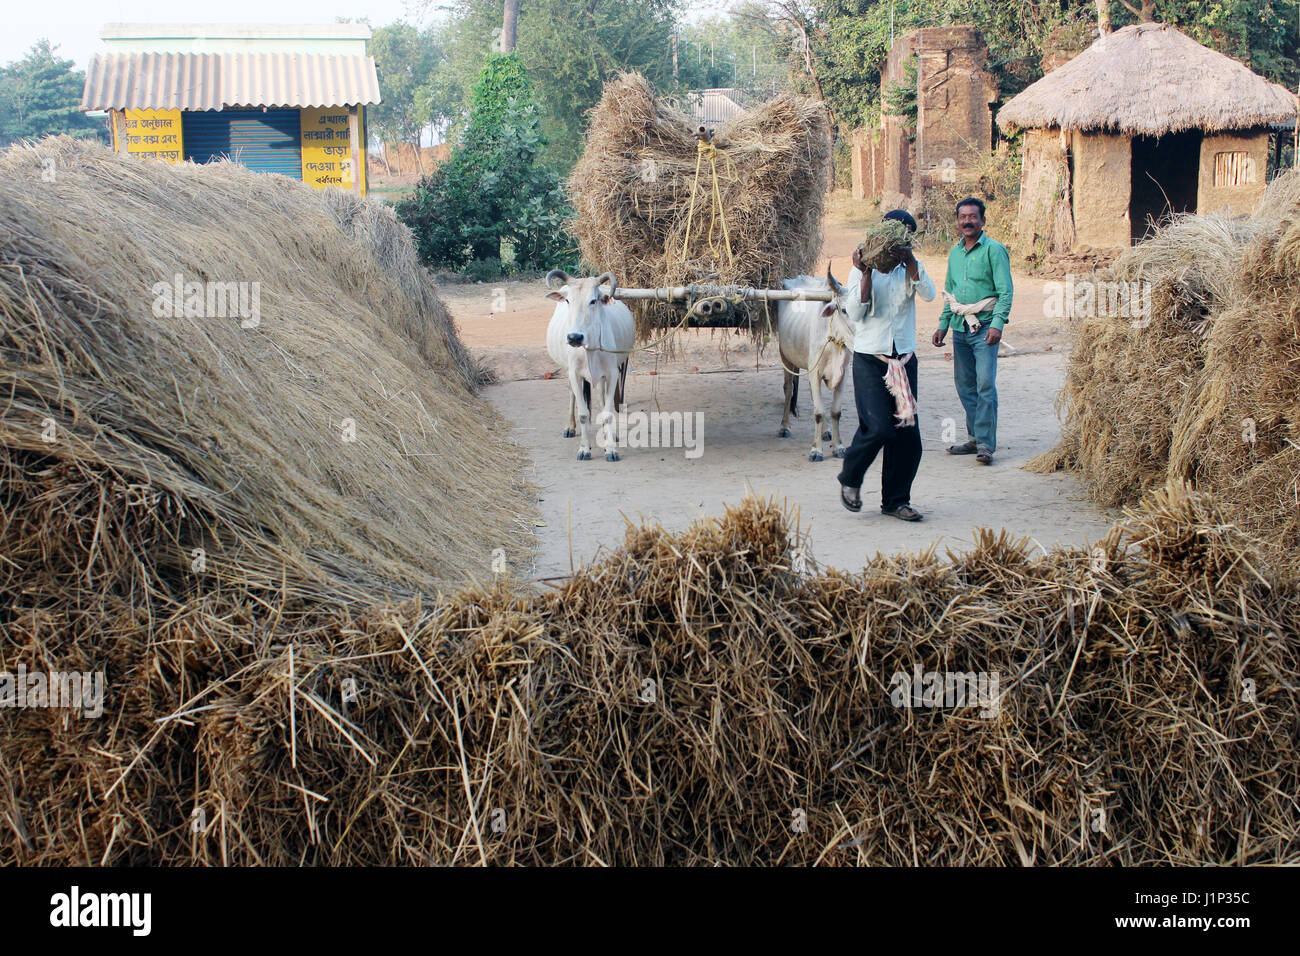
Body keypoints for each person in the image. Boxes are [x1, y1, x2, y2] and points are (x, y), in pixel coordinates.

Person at [837, 209, 936, 521]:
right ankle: (850, 478)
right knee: (879, 427)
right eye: (894, 234)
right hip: (870, 359)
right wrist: (865, 272)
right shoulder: (863, 268)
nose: (898, 241)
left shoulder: (910, 268)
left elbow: (930, 294)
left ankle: (895, 502)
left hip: (904, 361)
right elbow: (855, 313)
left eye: (905, 236)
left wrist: (910, 264)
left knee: (908, 437)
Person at [931, 198, 1013, 466]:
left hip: (985, 328)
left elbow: (1005, 292)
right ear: (957, 221)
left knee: (985, 385)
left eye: (973, 217)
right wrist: (943, 324)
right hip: (960, 329)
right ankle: (975, 438)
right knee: (965, 386)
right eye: (963, 217)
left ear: (983, 221)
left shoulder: (994, 250)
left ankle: (987, 445)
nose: (967, 221)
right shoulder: (955, 253)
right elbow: (949, 294)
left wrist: (998, 324)